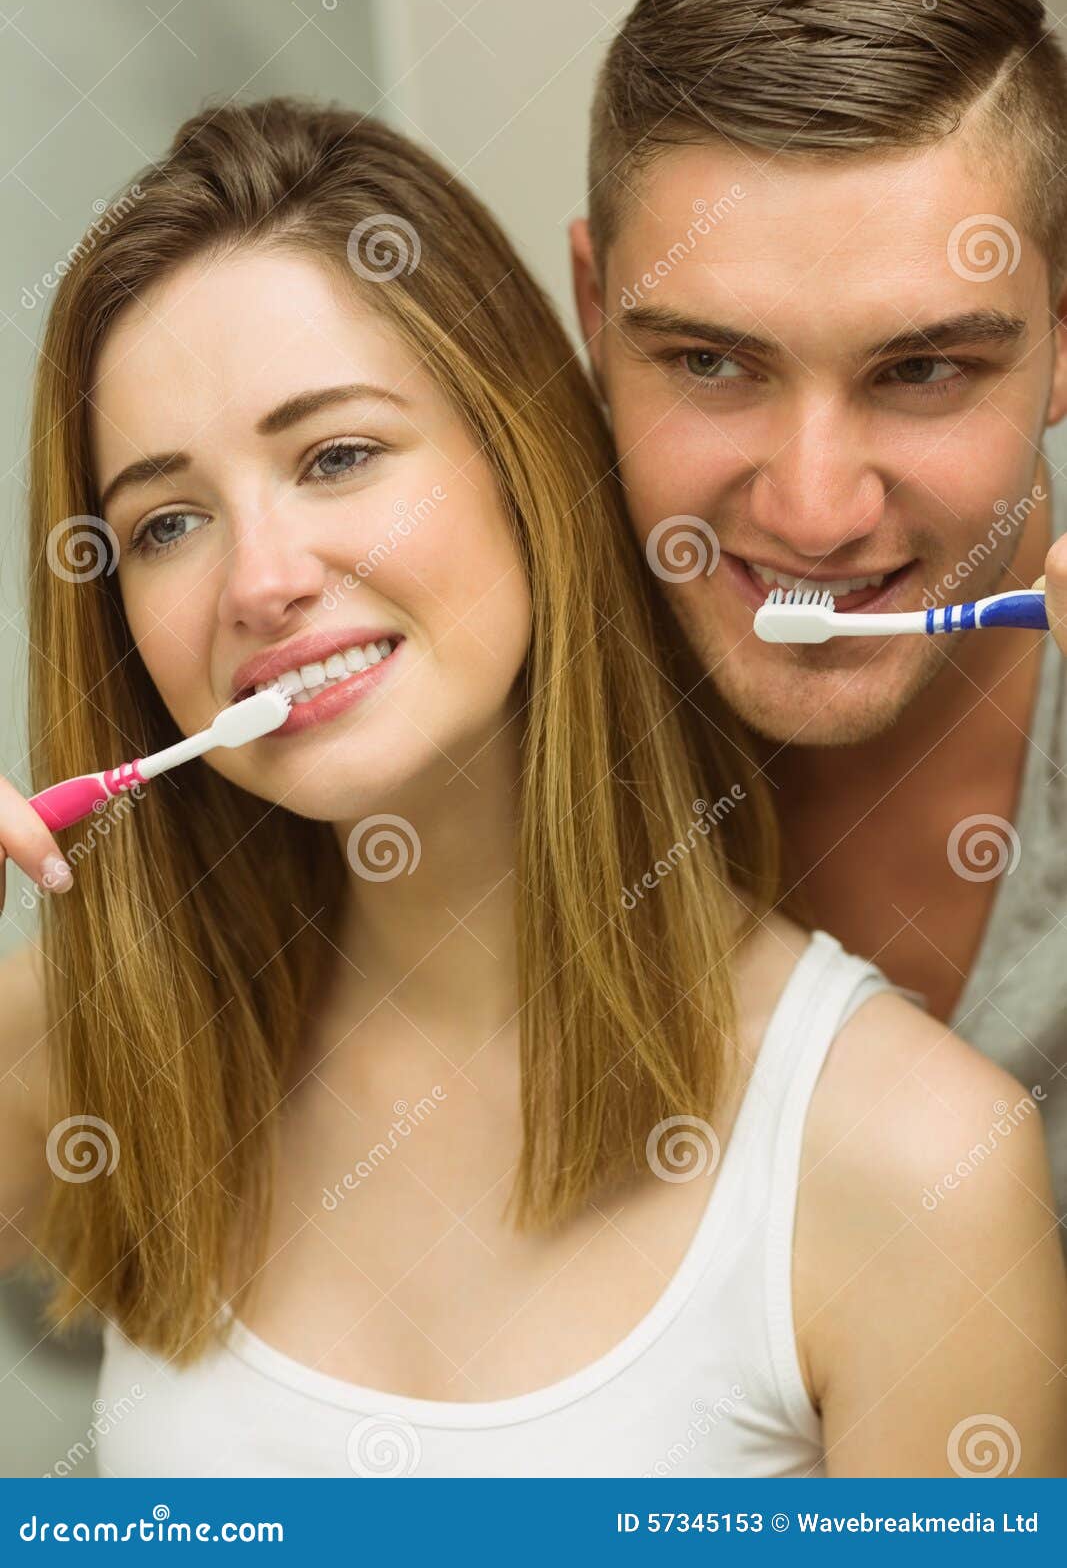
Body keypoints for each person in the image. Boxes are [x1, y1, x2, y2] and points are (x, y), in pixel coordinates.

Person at [0, 97, 1063, 1478]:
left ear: (529, 461)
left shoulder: (921, 1162)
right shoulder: (77, 1049)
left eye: (337, 455)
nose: (260, 579)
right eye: (168, 522)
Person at [570, 0, 1067, 1238]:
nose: (814, 509)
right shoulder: (478, 706)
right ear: (591, 314)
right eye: (712, 362)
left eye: (920, 369)